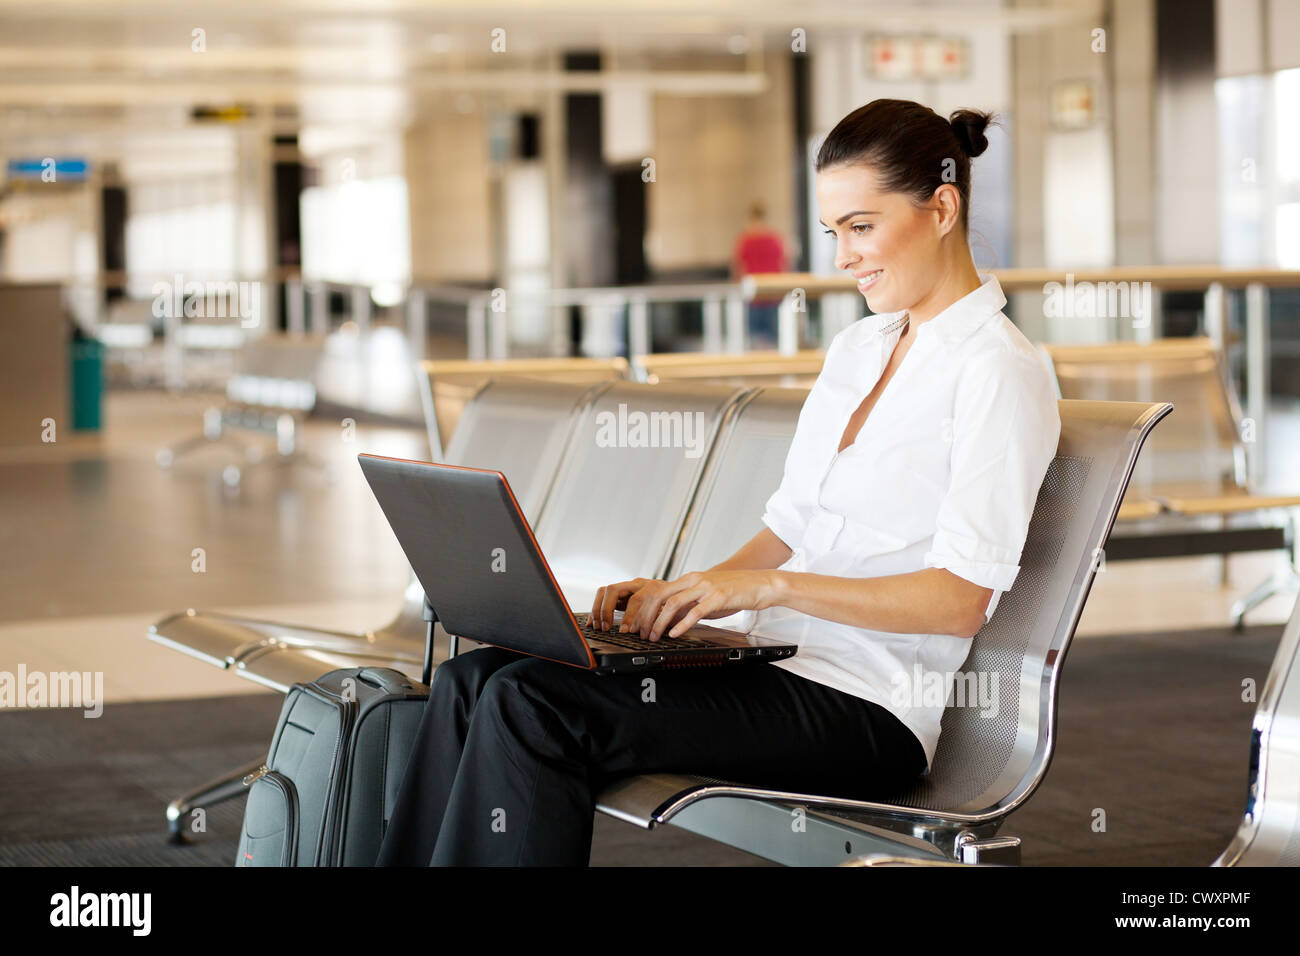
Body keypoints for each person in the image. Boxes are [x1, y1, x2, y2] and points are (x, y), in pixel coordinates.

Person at [375, 98, 1061, 867]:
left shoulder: (999, 372)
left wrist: (770, 593)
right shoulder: (859, 350)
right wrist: (684, 593)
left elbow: (961, 600)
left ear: (942, 207)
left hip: (866, 707)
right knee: (475, 678)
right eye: (835, 232)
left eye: (861, 227)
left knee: (532, 706)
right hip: (772, 665)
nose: (842, 257)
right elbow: (790, 528)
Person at [731, 203, 789, 348]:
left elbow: (737, 267)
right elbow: (784, 264)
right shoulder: (775, 239)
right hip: (773, 292)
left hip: (754, 294)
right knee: (775, 338)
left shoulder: (745, 240)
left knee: (755, 338)